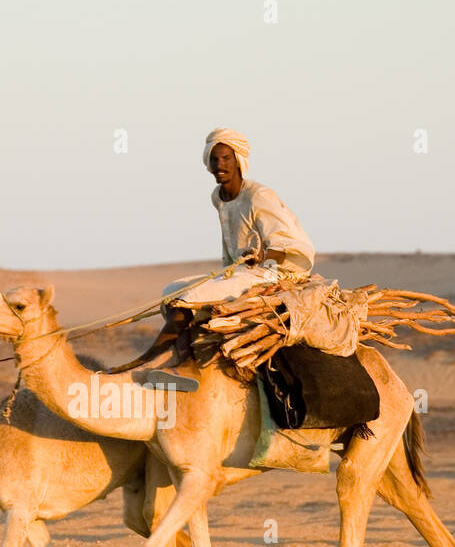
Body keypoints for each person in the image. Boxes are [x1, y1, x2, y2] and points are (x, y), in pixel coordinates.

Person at [130, 128, 316, 381]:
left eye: (226, 158)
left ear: (238, 160)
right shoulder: (218, 197)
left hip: (272, 272)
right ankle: (181, 358)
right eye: (215, 159)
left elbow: (287, 246)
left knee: (190, 298)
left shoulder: (259, 196)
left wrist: (260, 257)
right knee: (170, 292)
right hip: (239, 271)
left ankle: (167, 365)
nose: (220, 164)